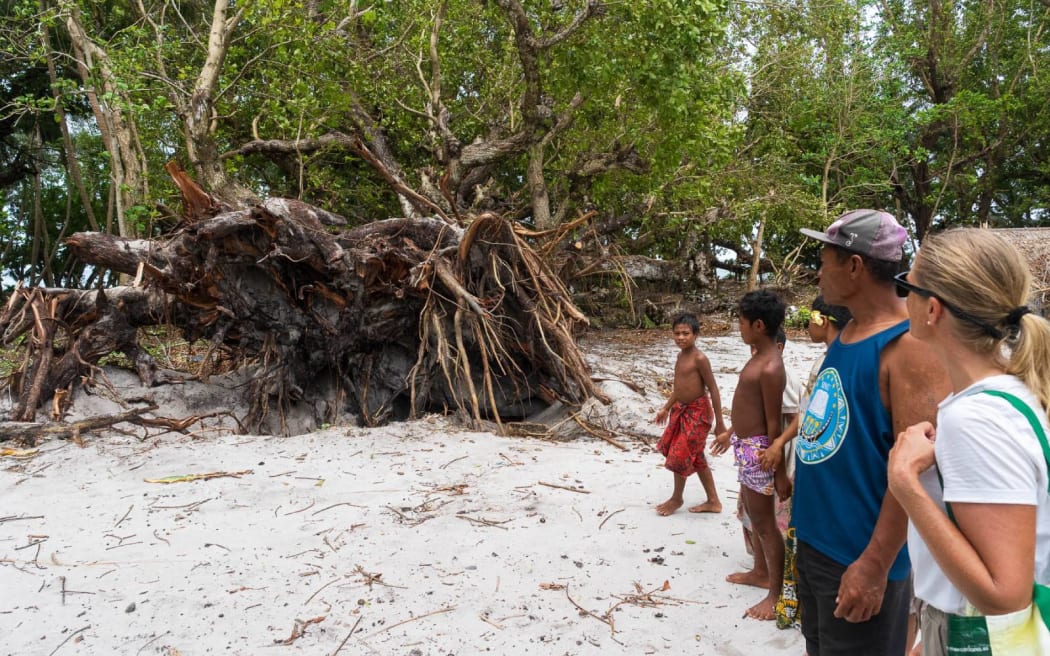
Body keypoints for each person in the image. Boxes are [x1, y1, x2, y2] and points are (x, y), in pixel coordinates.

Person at [886, 228, 1050, 655]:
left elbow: (1004, 594)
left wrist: (905, 482)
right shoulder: (1018, 389)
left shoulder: (974, 418)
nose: (903, 298)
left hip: (982, 635)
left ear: (933, 310)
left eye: (908, 286)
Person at [794, 209, 949, 655]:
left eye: (825, 260)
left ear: (855, 266)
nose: (819, 271)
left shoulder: (909, 347)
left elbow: (915, 470)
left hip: (859, 556)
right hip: (815, 544)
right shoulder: (848, 333)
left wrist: (875, 565)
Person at [761, 296, 852, 631]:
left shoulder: (831, 363)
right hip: (813, 460)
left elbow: (808, 415)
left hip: (818, 465)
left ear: (823, 321)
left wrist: (781, 444)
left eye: (810, 319)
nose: (807, 326)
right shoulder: (829, 359)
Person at [712, 289, 787, 620]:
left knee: (766, 523)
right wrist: (732, 433)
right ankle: (760, 571)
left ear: (758, 325)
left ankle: (775, 593)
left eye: (741, 322)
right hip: (746, 447)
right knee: (753, 518)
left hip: (759, 453)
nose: (738, 328)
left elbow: (774, 422)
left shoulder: (771, 367)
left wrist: (780, 470)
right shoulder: (758, 356)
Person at [737, 329, 805, 585]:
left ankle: (772, 578)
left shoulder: (781, 376)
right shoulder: (758, 369)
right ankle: (759, 569)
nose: (753, 353)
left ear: (778, 347)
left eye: (758, 348)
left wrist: (779, 460)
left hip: (770, 458)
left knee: (769, 519)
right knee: (751, 512)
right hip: (752, 454)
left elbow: (790, 420)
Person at [654, 312, 727, 516]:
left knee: (680, 453)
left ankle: (677, 498)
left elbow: (713, 388)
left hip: (699, 413)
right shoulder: (680, 356)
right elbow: (679, 388)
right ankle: (714, 501)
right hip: (681, 411)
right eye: (677, 333)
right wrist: (666, 408)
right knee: (696, 456)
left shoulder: (700, 358)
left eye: (686, 333)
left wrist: (720, 423)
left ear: (695, 335)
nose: (681, 337)